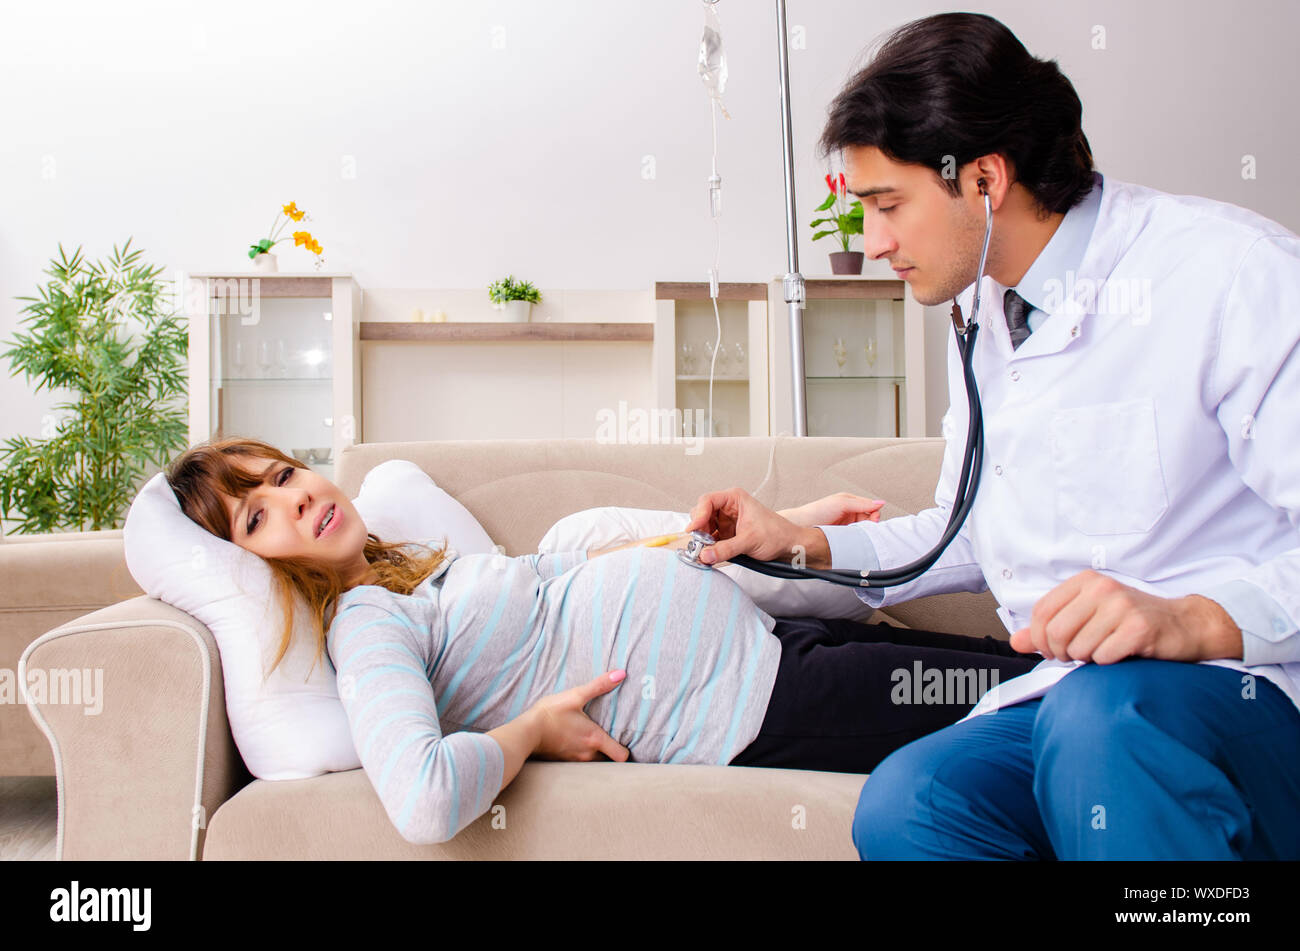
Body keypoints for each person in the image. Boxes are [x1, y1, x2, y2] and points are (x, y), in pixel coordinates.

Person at [685, 12, 1300, 860]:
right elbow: (972, 530)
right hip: (1078, 704)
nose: (874, 243)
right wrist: (804, 545)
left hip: (1252, 695)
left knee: (1101, 724)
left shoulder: (1230, 276)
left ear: (983, 179)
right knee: (910, 802)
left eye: (888, 204)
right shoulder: (984, 308)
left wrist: (1193, 619)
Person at [164, 435, 1039, 845]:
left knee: (1025, 674)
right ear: (256, 565)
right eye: (257, 515)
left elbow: (574, 575)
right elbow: (423, 798)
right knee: (1022, 700)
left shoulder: (412, 569)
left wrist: (793, 524)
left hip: (773, 641)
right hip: (750, 709)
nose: (295, 498)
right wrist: (535, 732)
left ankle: (1169, 684)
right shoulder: (366, 623)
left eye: (284, 474)